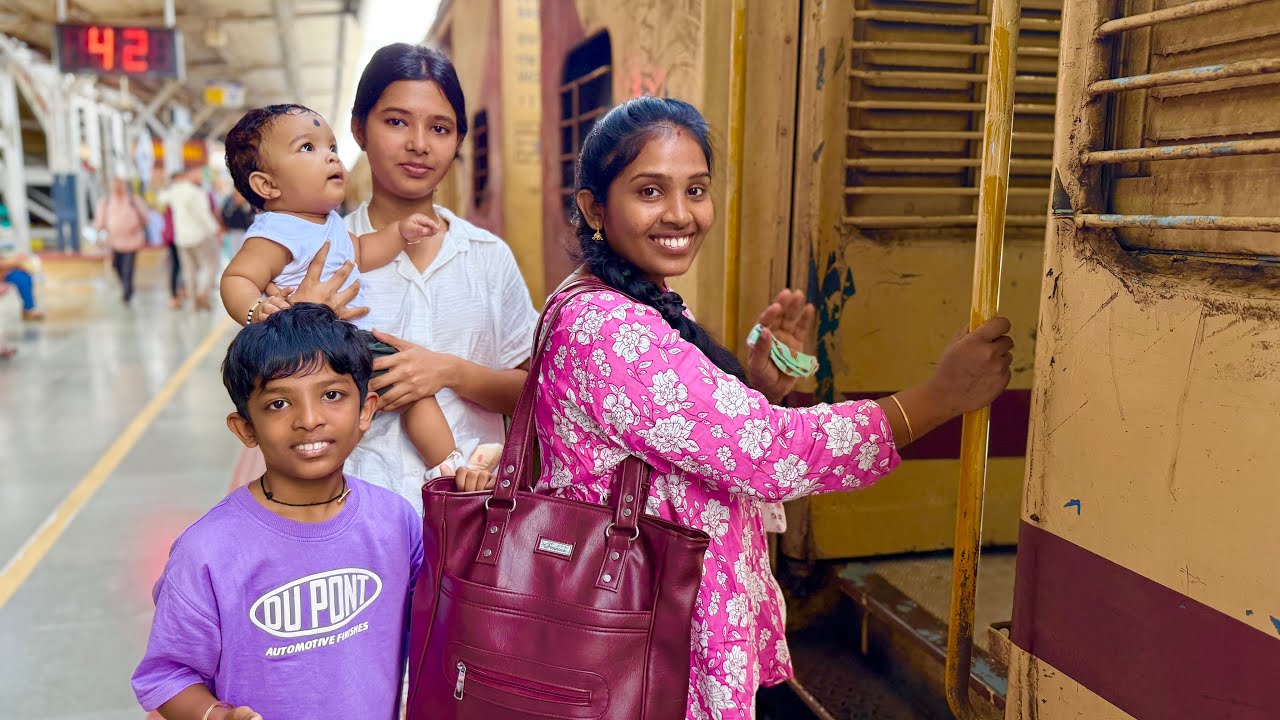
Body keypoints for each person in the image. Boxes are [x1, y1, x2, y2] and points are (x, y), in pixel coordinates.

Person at [535, 96, 1014, 719]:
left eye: (697, 189)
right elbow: (767, 452)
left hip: (662, 630)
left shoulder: (636, 301)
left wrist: (754, 383)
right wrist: (936, 398)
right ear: (596, 207)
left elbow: (687, 442)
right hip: (649, 652)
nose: (681, 214)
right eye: (650, 191)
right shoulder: (606, 327)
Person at [131, 304, 489, 719]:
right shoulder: (206, 551)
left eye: (332, 395)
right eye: (279, 404)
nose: (309, 419)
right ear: (246, 428)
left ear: (366, 411)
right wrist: (218, 715)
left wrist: (473, 516)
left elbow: (440, 624)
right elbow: (167, 676)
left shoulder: (394, 520)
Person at [246, 44, 539, 511]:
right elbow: (269, 397)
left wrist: (448, 371)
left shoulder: (488, 257)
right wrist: (299, 319)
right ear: (359, 129)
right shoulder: (315, 258)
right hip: (352, 517)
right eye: (397, 121)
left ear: (458, 139)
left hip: (473, 520)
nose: (419, 144)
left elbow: (532, 393)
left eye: (439, 128)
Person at [219, 103, 459, 473]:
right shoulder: (276, 232)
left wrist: (398, 233)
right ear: (267, 185)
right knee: (401, 397)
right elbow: (236, 278)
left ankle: (450, 465)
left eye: (331, 147)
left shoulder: (328, 224)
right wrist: (256, 310)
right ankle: (450, 466)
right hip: (313, 351)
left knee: (411, 390)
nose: (330, 158)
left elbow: (361, 250)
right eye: (307, 148)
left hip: (352, 341)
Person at [158, 167, 220, 311]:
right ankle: (203, 292)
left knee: (189, 270)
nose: (200, 177)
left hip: (182, 238)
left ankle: (193, 304)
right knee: (211, 265)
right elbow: (204, 216)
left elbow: (161, 198)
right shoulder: (197, 193)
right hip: (200, 236)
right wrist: (216, 230)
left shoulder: (176, 191)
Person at [93, 178, 150, 305]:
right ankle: (125, 285)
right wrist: (99, 237)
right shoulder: (106, 202)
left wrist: (136, 227)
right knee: (116, 265)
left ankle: (127, 293)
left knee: (128, 267)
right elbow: (99, 222)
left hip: (131, 241)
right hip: (114, 242)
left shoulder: (133, 201)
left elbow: (145, 218)